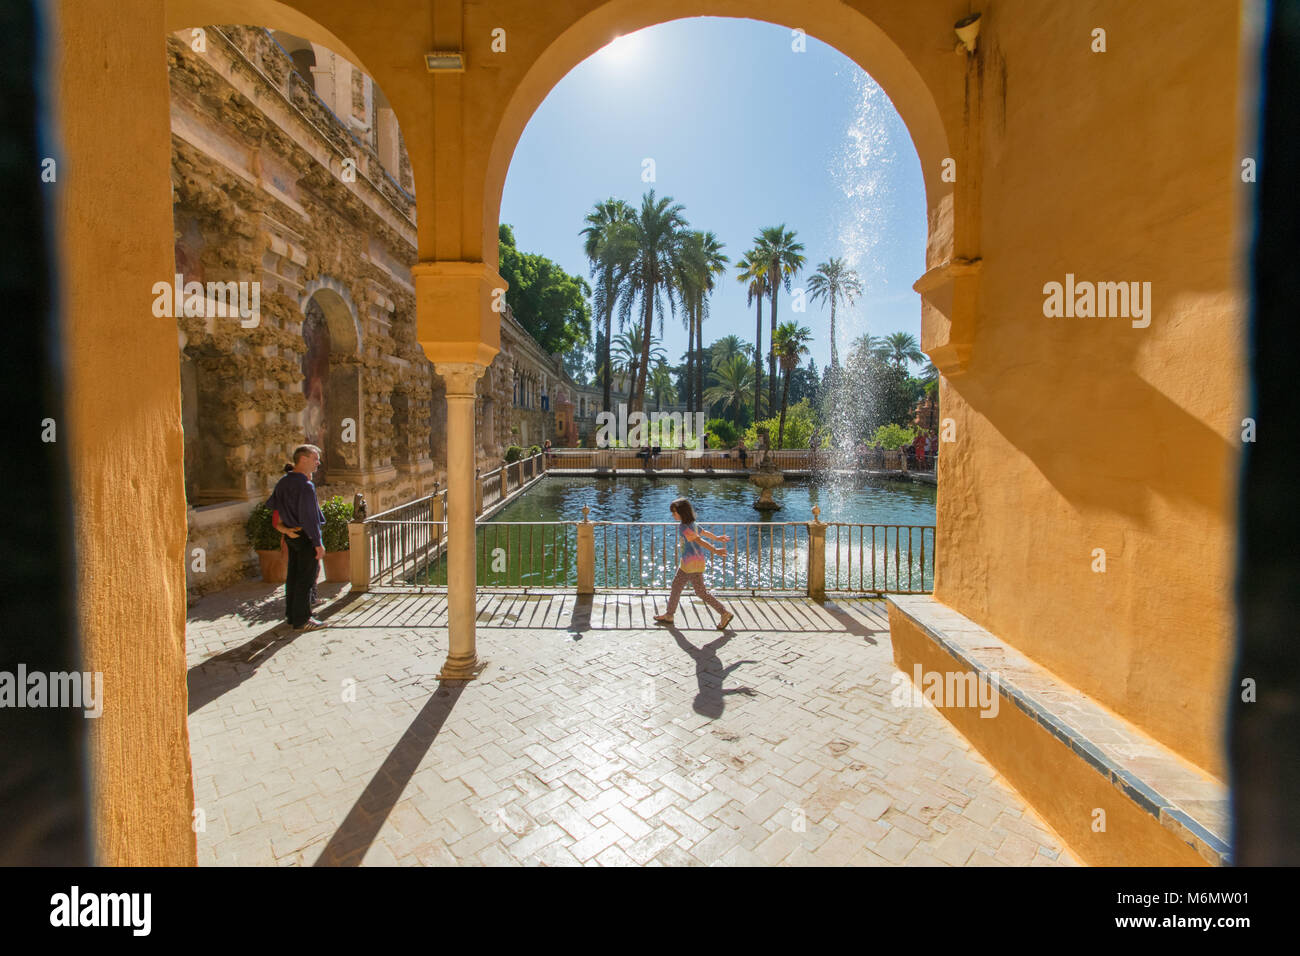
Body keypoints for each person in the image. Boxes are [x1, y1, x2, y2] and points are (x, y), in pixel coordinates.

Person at [266, 444, 326, 630]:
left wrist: (283, 529)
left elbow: (274, 507)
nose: (318, 462)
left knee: (293, 575)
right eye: (315, 458)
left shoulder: (284, 481)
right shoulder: (305, 485)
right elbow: (310, 518)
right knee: (306, 578)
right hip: (305, 535)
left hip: (292, 534)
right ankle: (302, 620)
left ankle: (292, 615)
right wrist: (318, 544)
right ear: (303, 459)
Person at [654, 498, 734, 630]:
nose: (673, 515)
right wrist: (717, 538)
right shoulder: (692, 524)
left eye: (674, 512)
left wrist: (715, 550)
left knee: (701, 592)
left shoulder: (684, 527)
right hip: (687, 563)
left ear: (682, 512)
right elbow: (704, 532)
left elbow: (699, 539)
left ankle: (724, 613)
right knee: (676, 586)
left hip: (692, 564)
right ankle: (669, 615)